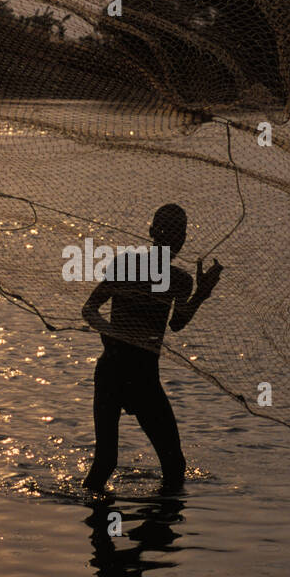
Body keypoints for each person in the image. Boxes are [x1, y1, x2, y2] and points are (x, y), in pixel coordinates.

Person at [81, 203, 222, 494]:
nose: (176, 238)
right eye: (171, 231)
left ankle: (152, 526)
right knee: (109, 462)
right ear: (153, 233)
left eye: (179, 232)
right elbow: (91, 308)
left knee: (170, 465)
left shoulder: (181, 280)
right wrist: (109, 332)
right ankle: (149, 528)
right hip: (116, 373)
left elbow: (177, 323)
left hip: (143, 378)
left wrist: (201, 294)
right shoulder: (126, 265)